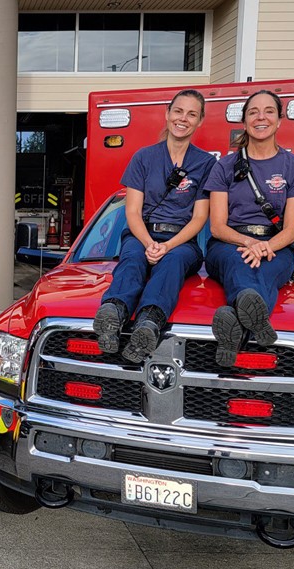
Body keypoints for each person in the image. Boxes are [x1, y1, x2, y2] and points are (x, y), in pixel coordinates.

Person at [93, 89, 217, 363]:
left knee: (172, 262)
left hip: (182, 242)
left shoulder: (207, 163)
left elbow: (199, 219)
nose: (183, 118)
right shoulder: (143, 158)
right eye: (178, 111)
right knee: (132, 258)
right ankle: (113, 314)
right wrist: (149, 243)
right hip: (142, 234)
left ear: (200, 121)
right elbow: (133, 211)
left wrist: (167, 245)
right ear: (167, 114)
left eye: (191, 114)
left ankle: (148, 324)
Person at [203, 89, 294, 366]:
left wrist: (266, 246)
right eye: (253, 112)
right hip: (228, 244)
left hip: (278, 247)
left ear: (279, 121)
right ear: (245, 121)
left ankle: (235, 330)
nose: (261, 117)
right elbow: (217, 226)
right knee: (242, 263)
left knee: (264, 273)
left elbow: (291, 231)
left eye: (268, 111)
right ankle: (252, 317)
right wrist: (250, 243)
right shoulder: (224, 166)